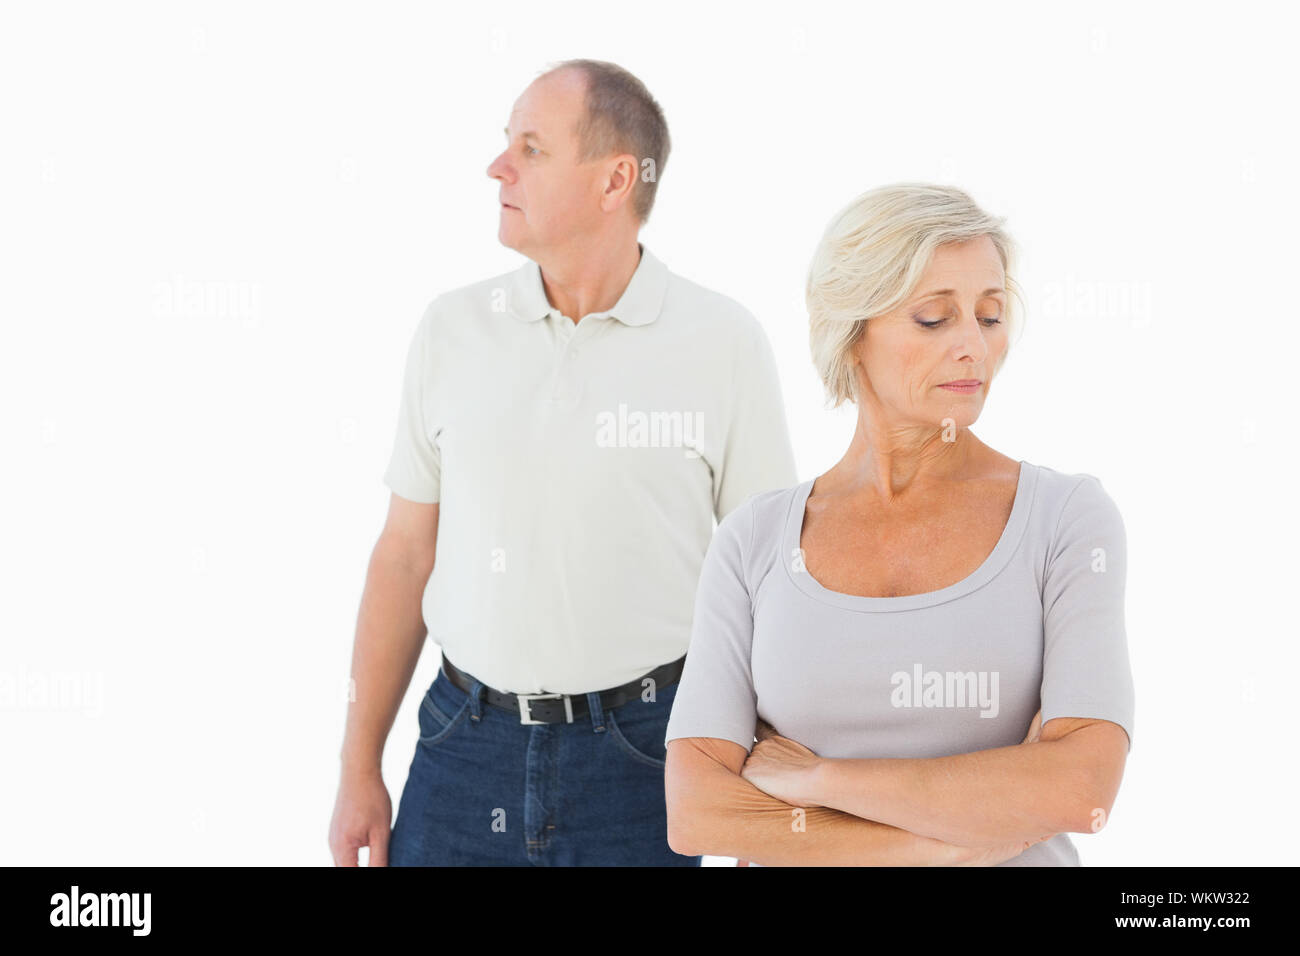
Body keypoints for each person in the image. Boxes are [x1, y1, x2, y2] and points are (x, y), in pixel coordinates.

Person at [327, 59, 797, 866]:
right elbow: (404, 555)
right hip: (461, 749)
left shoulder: (723, 343)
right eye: (507, 143)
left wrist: (765, 803)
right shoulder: (452, 330)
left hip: (644, 760)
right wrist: (357, 766)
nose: (498, 167)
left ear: (616, 180)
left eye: (532, 149)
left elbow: (769, 582)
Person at [664, 182, 1134, 866]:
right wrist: (942, 847)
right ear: (852, 333)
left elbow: (1080, 786)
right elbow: (697, 812)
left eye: (990, 315)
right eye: (934, 319)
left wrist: (821, 779)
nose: (973, 346)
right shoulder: (753, 540)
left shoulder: (1066, 520)